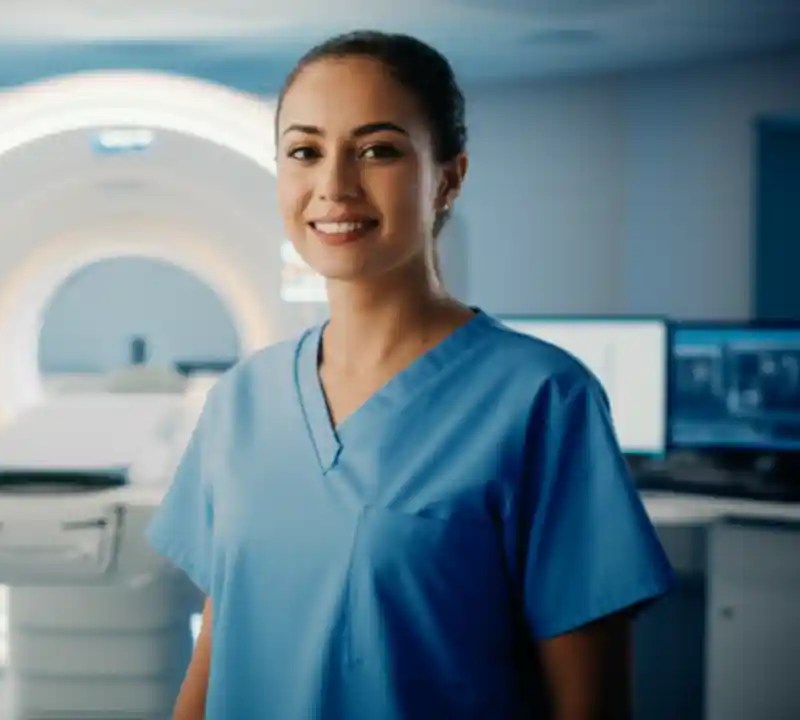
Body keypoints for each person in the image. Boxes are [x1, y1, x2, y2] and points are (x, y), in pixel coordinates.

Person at [146, 30, 674, 719]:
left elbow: (590, 704)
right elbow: (219, 652)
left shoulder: (540, 399)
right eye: (305, 152)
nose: (335, 186)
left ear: (448, 178)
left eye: (378, 151)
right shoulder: (242, 400)